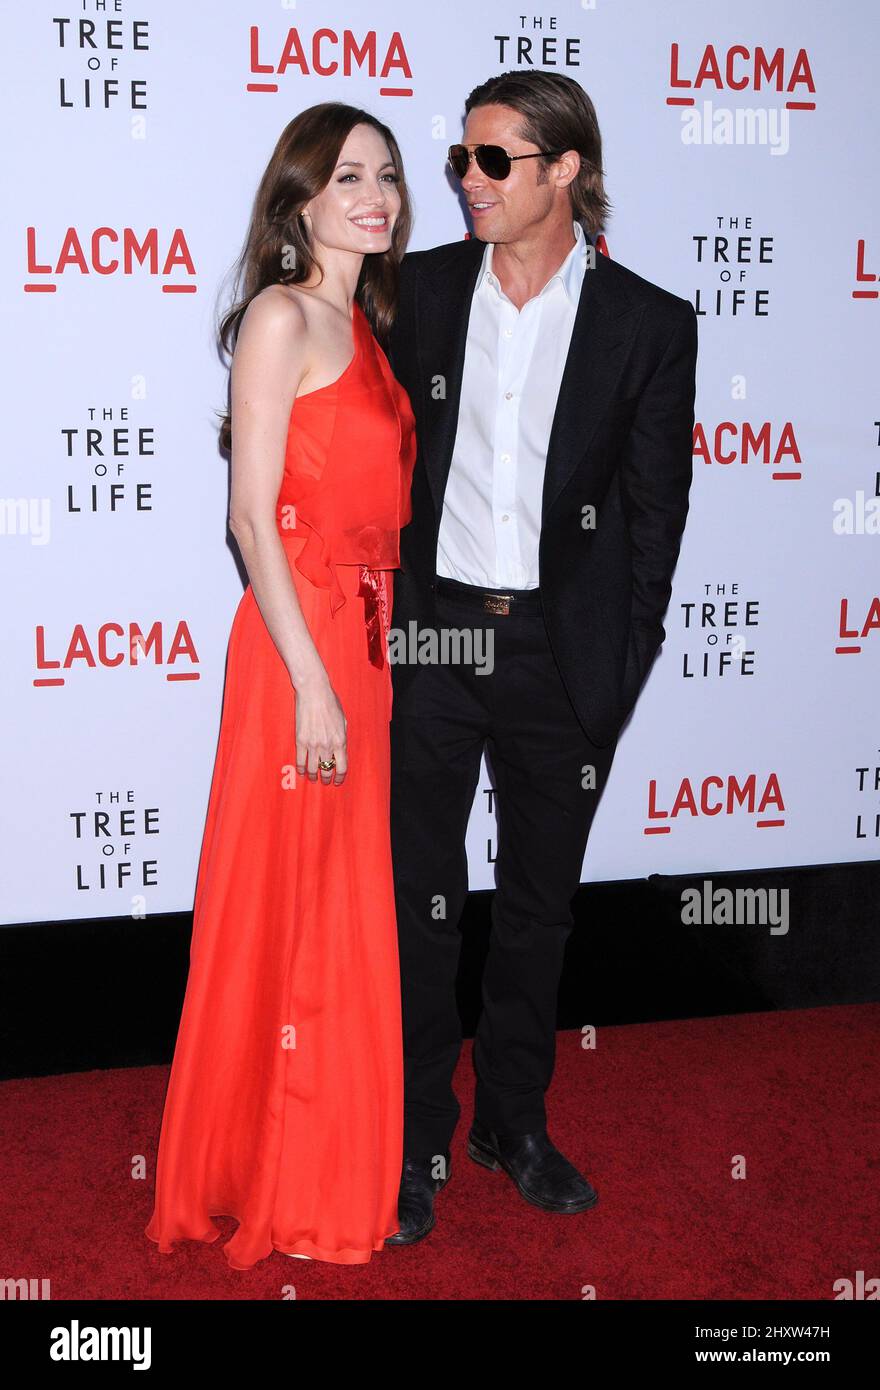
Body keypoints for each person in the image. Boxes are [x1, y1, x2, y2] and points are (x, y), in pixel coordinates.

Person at [384, 70, 698, 1243]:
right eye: (461, 158)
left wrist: (616, 665)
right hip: (437, 629)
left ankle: (510, 1121)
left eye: (494, 160)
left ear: (565, 171)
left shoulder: (648, 324)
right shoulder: (415, 291)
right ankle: (416, 1130)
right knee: (418, 904)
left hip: (561, 656)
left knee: (537, 909)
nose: (466, 179)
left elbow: (652, 515)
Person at [144, 103, 416, 1269]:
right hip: (299, 644)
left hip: (362, 636)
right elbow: (252, 518)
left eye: (389, 177)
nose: (375, 196)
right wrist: (313, 682)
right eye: (347, 175)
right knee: (291, 907)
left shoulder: (372, 322)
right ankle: (277, 1179)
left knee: (337, 906)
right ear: (298, 198)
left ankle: (310, 1166)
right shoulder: (281, 315)